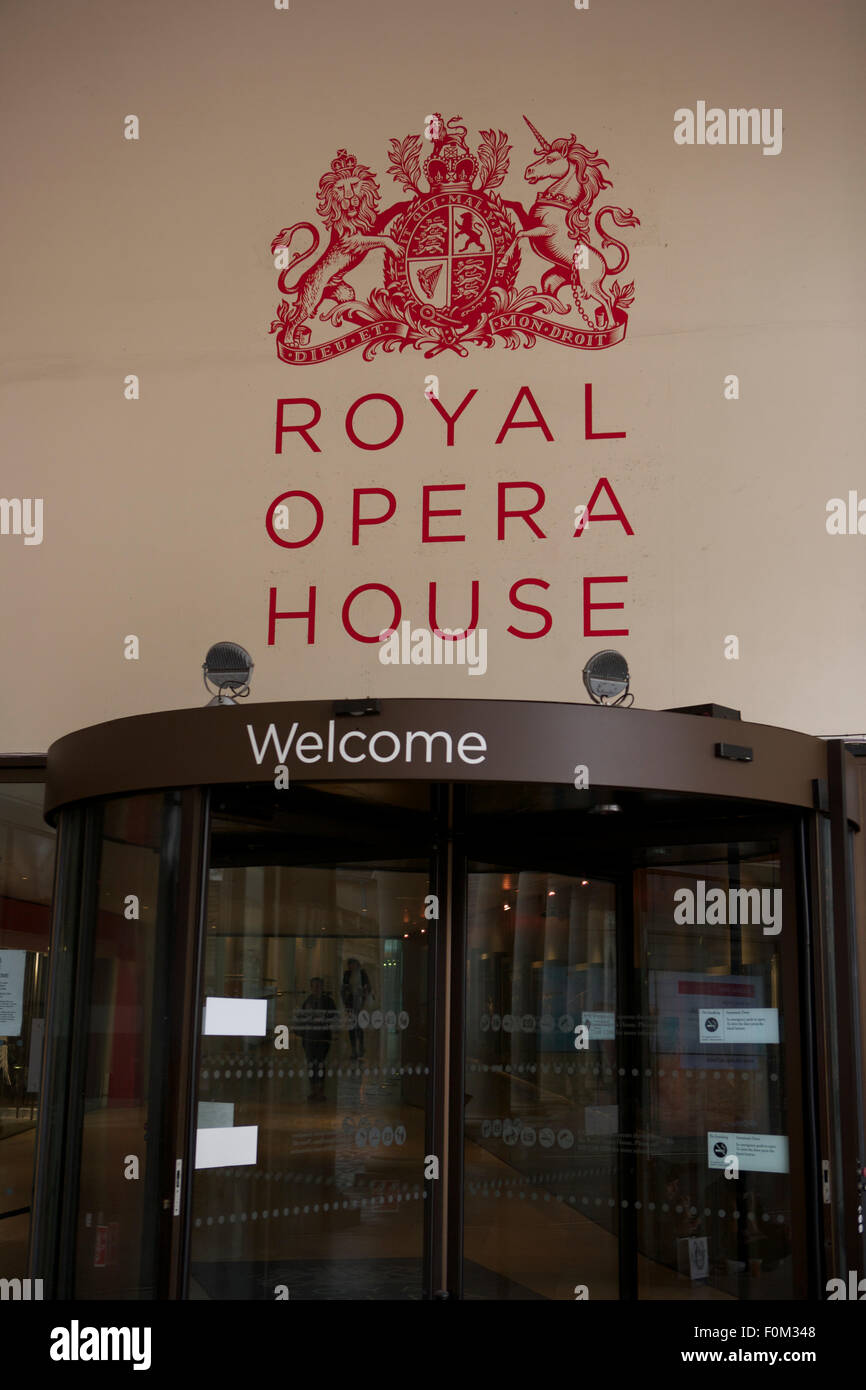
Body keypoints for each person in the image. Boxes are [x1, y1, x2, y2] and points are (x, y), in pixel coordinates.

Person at [297, 977, 336, 1101]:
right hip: (309, 1037)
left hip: (322, 1037)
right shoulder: (308, 1001)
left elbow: (333, 1015)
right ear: (311, 987)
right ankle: (313, 1089)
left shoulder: (328, 1001)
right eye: (314, 986)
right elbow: (301, 1017)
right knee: (311, 1064)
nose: (316, 989)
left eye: (318, 986)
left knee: (320, 1063)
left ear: (322, 987)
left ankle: (320, 1090)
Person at [341, 957, 372, 1060]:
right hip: (350, 1003)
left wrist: (363, 993)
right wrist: (346, 998)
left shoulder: (362, 973)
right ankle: (354, 1049)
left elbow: (368, 988)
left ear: (357, 964)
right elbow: (344, 988)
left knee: (359, 1026)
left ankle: (361, 1047)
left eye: (352, 964)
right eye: (349, 964)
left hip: (360, 1003)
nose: (350, 966)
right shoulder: (347, 974)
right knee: (352, 1026)